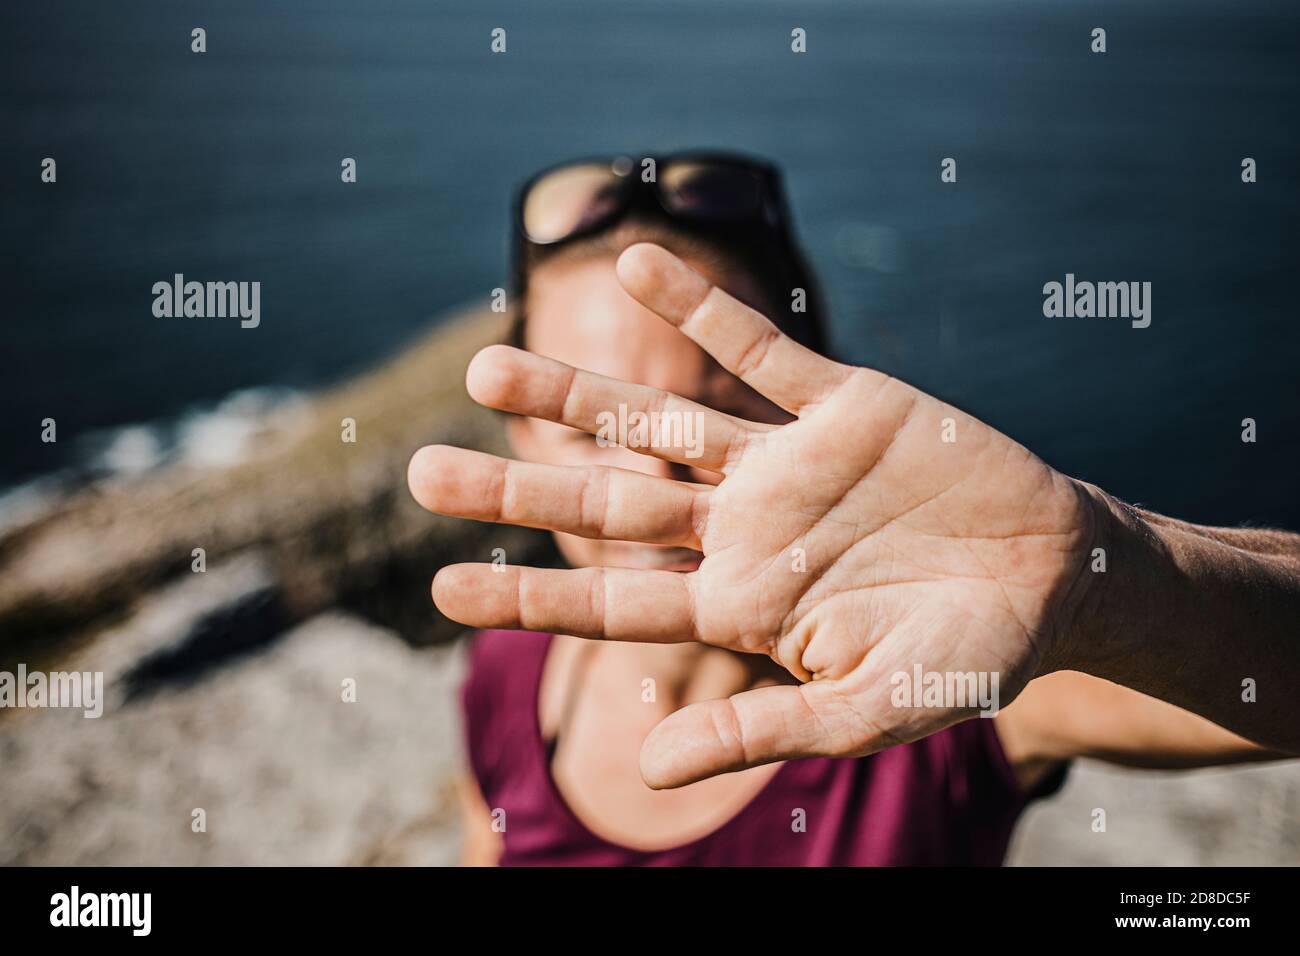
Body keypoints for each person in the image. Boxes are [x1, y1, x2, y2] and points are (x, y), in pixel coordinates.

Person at [407, 152, 1297, 865]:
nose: (652, 477)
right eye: (593, 427)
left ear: (812, 405)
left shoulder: (946, 674)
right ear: (523, 438)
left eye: (713, 413)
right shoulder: (506, 672)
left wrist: (1098, 583)